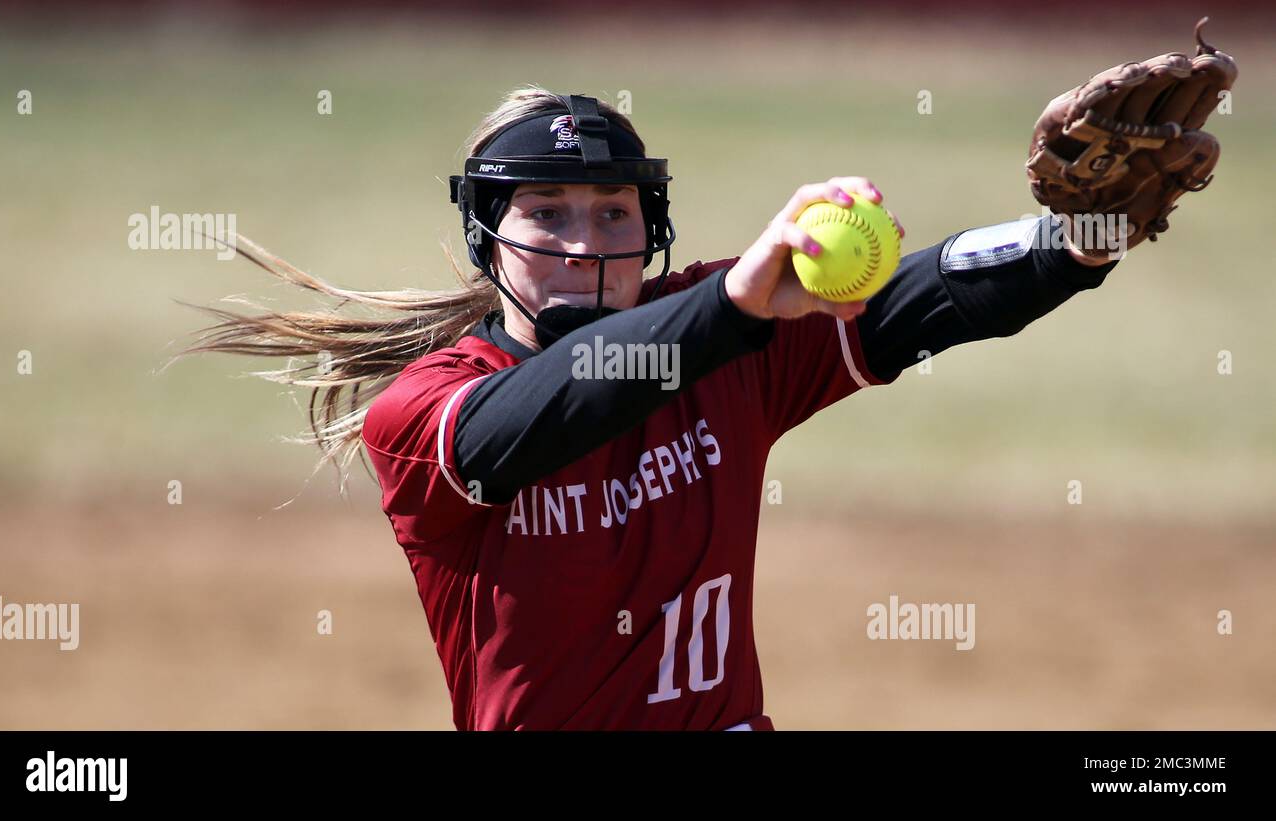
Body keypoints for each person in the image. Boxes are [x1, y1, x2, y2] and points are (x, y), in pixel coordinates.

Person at [185, 86, 1121, 730]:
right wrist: (731, 310)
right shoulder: (426, 411)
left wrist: (1085, 235)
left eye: (613, 213)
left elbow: (932, 297)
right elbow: (541, 412)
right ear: (486, 236)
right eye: (545, 212)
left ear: (652, 229)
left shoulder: (728, 335)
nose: (584, 243)